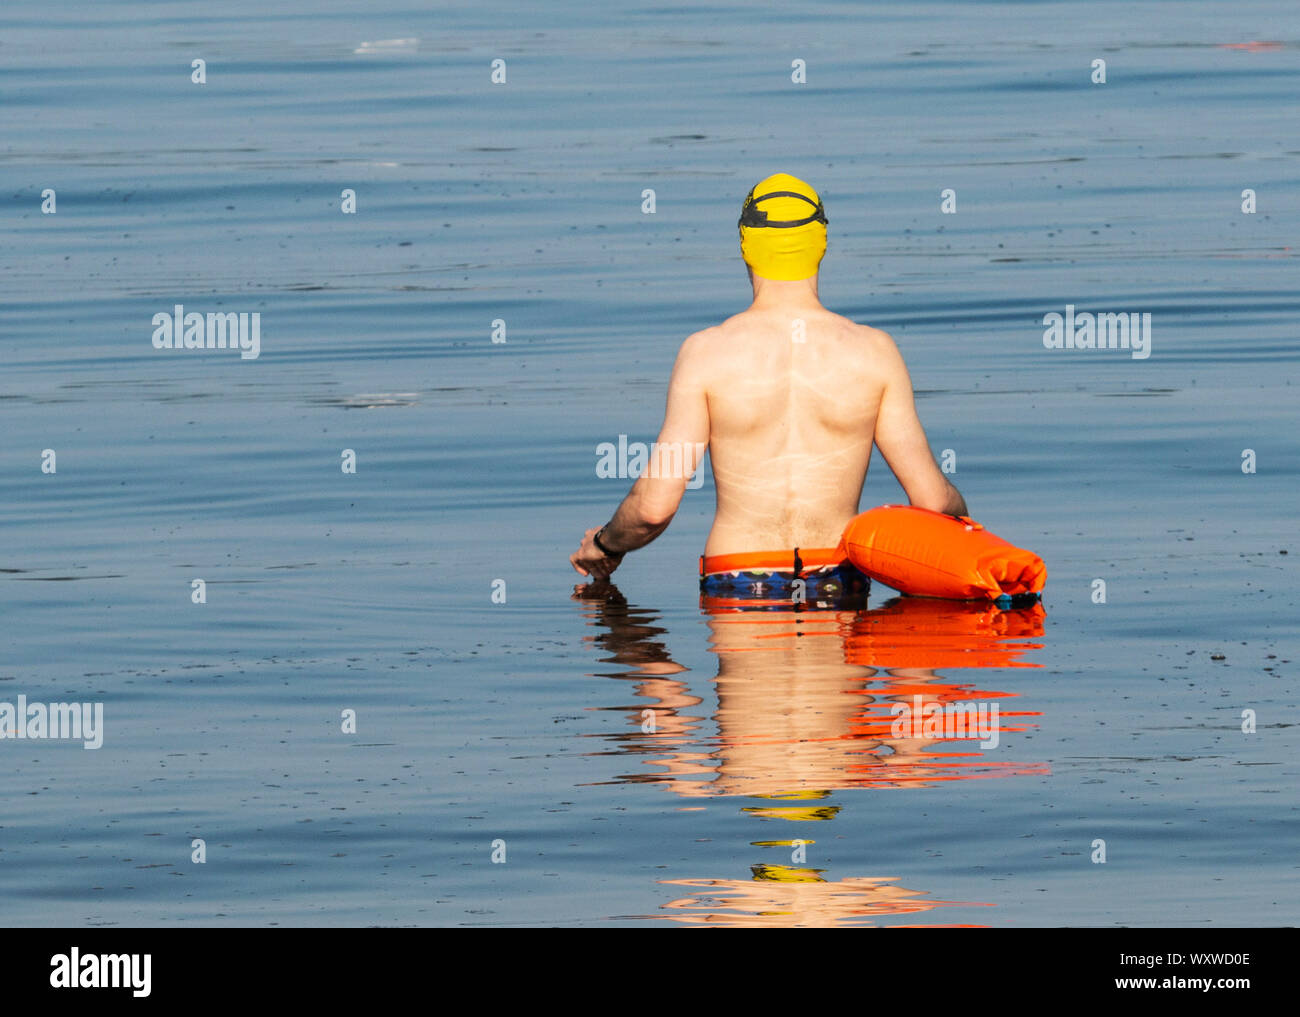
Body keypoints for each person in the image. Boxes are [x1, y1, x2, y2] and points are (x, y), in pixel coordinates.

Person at [569, 173, 966, 592]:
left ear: (745, 246)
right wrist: (967, 520)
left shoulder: (705, 353)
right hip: (836, 577)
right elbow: (934, 504)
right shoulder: (875, 352)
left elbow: (653, 509)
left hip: (737, 575)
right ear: (822, 245)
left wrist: (605, 544)